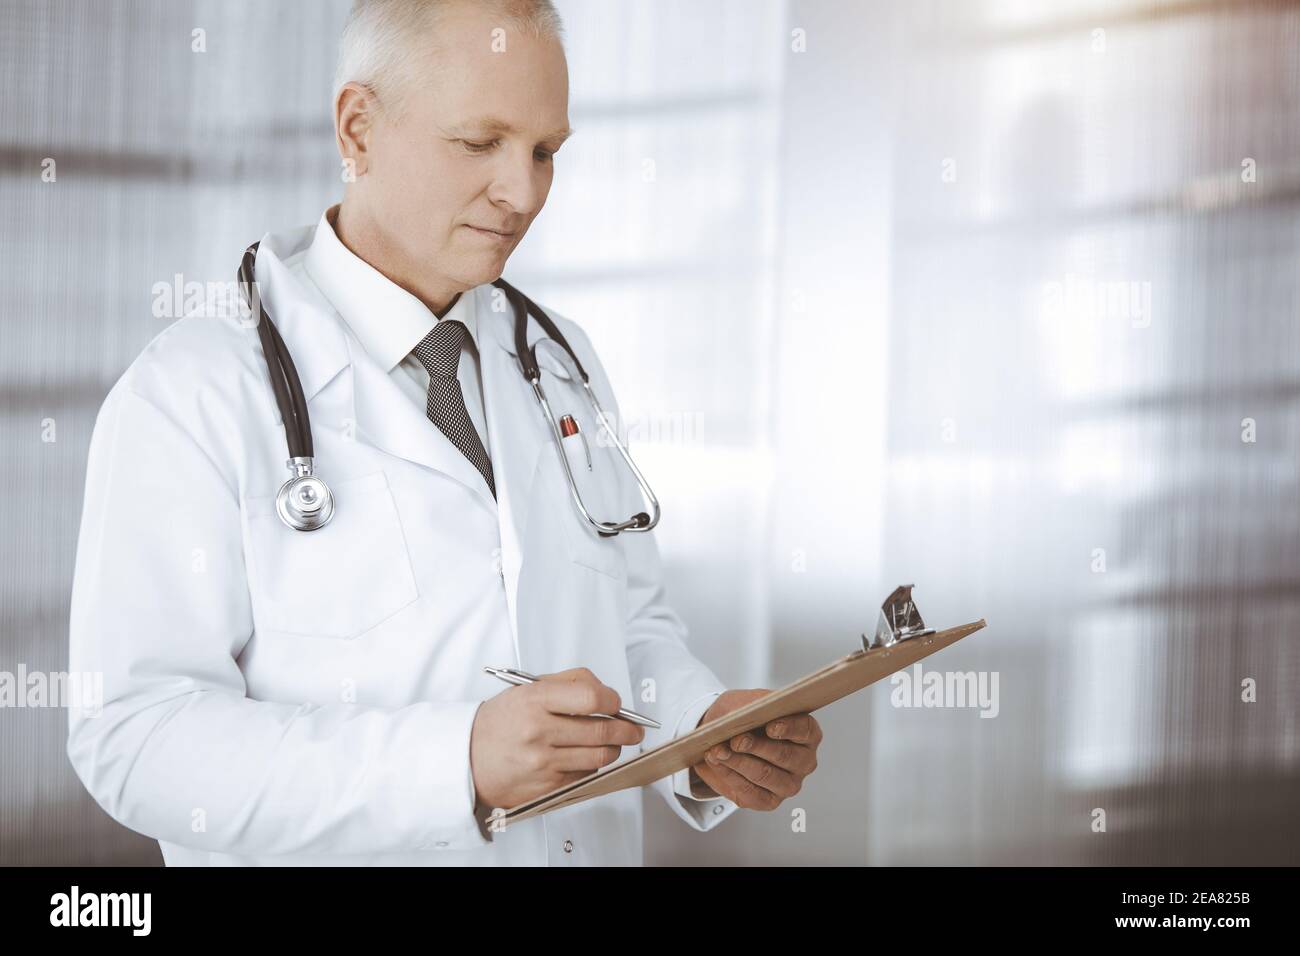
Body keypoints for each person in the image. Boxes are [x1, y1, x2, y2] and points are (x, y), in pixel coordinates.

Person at [66, 0, 822, 866]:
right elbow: (136, 737)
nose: (524, 192)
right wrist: (453, 761)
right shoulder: (192, 394)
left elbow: (628, 621)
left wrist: (699, 727)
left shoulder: (560, 359)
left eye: (545, 152)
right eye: (479, 143)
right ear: (358, 129)